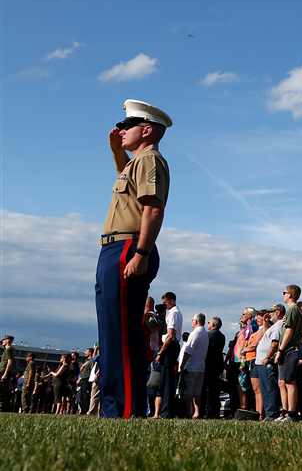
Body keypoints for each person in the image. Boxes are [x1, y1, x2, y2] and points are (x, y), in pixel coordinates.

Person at [96, 99, 171, 418]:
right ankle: (116, 407)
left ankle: (124, 410)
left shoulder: (150, 160)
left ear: (147, 129)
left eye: (128, 126)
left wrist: (140, 253)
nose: (122, 130)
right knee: (112, 332)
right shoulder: (135, 163)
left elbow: (152, 208)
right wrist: (116, 149)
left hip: (128, 247)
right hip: (114, 248)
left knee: (122, 333)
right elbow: (124, 175)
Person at [273, 285, 302, 422]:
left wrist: (280, 350)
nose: (283, 294)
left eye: (284, 292)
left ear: (291, 294)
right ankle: (285, 412)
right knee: (282, 382)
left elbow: (289, 331)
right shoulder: (291, 310)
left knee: (290, 382)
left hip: (290, 350)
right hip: (286, 350)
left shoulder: (292, 309)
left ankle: (292, 413)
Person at [153, 291, 183, 418]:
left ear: (171, 300)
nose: (164, 305)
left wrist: (160, 352)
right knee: (168, 380)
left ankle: (166, 412)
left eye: (165, 302)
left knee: (166, 381)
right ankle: (167, 411)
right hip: (173, 345)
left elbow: (170, 336)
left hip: (169, 346)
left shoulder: (173, 313)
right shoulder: (177, 313)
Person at [178, 313, 209, 418]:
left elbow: (188, 351)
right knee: (197, 392)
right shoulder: (205, 333)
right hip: (201, 366)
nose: (192, 322)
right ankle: (197, 412)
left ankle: (189, 411)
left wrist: (182, 365)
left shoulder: (195, 333)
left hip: (192, 367)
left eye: (192, 320)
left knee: (189, 392)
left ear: (196, 321)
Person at [203, 317, 226, 419]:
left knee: (208, 390)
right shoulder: (222, 336)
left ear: (213, 325)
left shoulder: (209, 335)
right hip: (218, 364)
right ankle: (215, 412)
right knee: (215, 390)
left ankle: (208, 412)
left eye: (209, 323)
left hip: (209, 364)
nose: (207, 324)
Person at [0, 336, 15, 412]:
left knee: (2, 390)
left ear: (7, 341)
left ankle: (2, 408)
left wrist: (5, 374)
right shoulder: (7, 350)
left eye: (3, 340)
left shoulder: (8, 350)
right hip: (2, 372)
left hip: (3, 372)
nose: (2, 341)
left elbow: (9, 362)